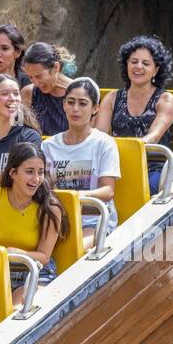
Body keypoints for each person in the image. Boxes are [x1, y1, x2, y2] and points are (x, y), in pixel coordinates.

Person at [0, 141, 69, 306]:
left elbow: (44, 257)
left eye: (40, 172)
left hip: (34, 272)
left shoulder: (50, 207)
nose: (36, 179)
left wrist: (15, 252)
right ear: (13, 173)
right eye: (29, 172)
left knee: (19, 309)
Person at [42, 77, 120, 248]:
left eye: (83, 103)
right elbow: (43, 186)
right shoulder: (48, 146)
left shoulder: (104, 143)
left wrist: (74, 197)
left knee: (76, 249)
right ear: (64, 105)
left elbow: (108, 191)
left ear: (95, 108)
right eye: (70, 102)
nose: (75, 109)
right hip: (56, 219)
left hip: (92, 221)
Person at [96, 34, 173, 192]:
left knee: (144, 191)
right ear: (126, 65)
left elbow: (153, 137)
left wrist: (128, 148)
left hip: (155, 167)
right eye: (134, 62)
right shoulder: (112, 98)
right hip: (116, 167)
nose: (138, 66)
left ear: (156, 70)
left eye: (145, 63)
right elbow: (99, 135)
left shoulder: (165, 99)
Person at [19, 42, 76, 136]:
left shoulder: (78, 92)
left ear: (56, 67)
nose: (36, 83)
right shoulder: (28, 93)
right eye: (30, 77)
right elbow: (17, 129)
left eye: (39, 76)